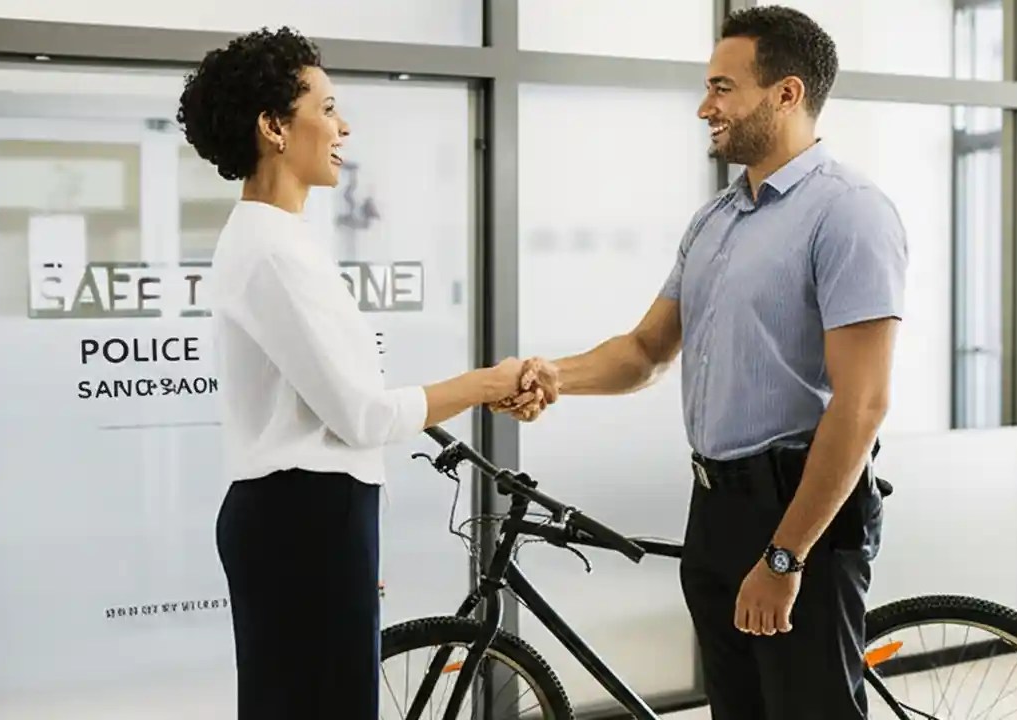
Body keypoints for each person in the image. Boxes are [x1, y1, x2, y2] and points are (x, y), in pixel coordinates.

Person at [493, 6, 907, 719]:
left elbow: (862, 404)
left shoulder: (849, 213)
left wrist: (785, 557)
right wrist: (554, 375)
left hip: (800, 509)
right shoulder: (716, 219)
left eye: (722, 87)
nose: (704, 107)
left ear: (786, 94)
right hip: (715, 508)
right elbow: (645, 351)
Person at [176, 27, 532, 719]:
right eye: (328, 107)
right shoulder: (273, 250)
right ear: (274, 127)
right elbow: (364, 415)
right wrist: (490, 383)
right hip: (305, 516)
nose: (344, 125)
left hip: (300, 514)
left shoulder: (271, 239)